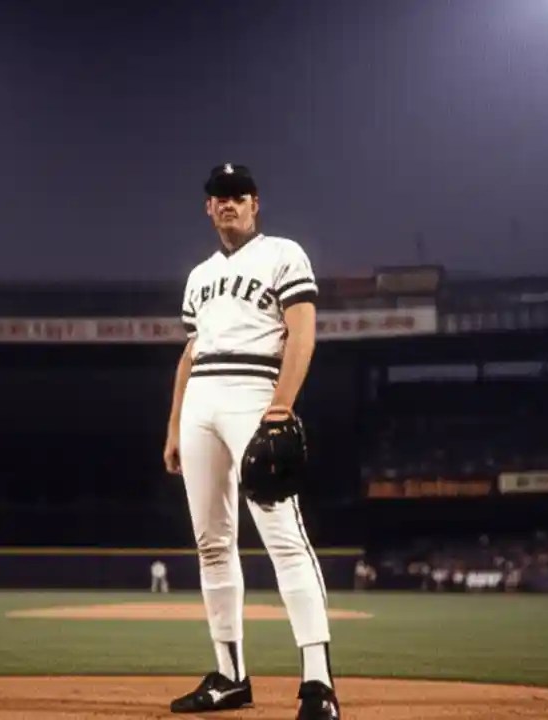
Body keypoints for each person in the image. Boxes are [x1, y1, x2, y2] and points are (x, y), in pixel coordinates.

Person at [162, 163, 340, 719]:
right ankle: (230, 676)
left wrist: (281, 406)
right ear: (208, 208)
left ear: (255, 203)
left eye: (239, 195)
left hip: (254, 391)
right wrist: (173, 425)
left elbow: (303, 331)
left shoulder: (284, 254)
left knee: (284, 537)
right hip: (201, 404)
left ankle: (318, 684)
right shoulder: (198, 276)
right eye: (220, 197)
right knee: (211, 543)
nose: (229, 203)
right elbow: (191, 352)